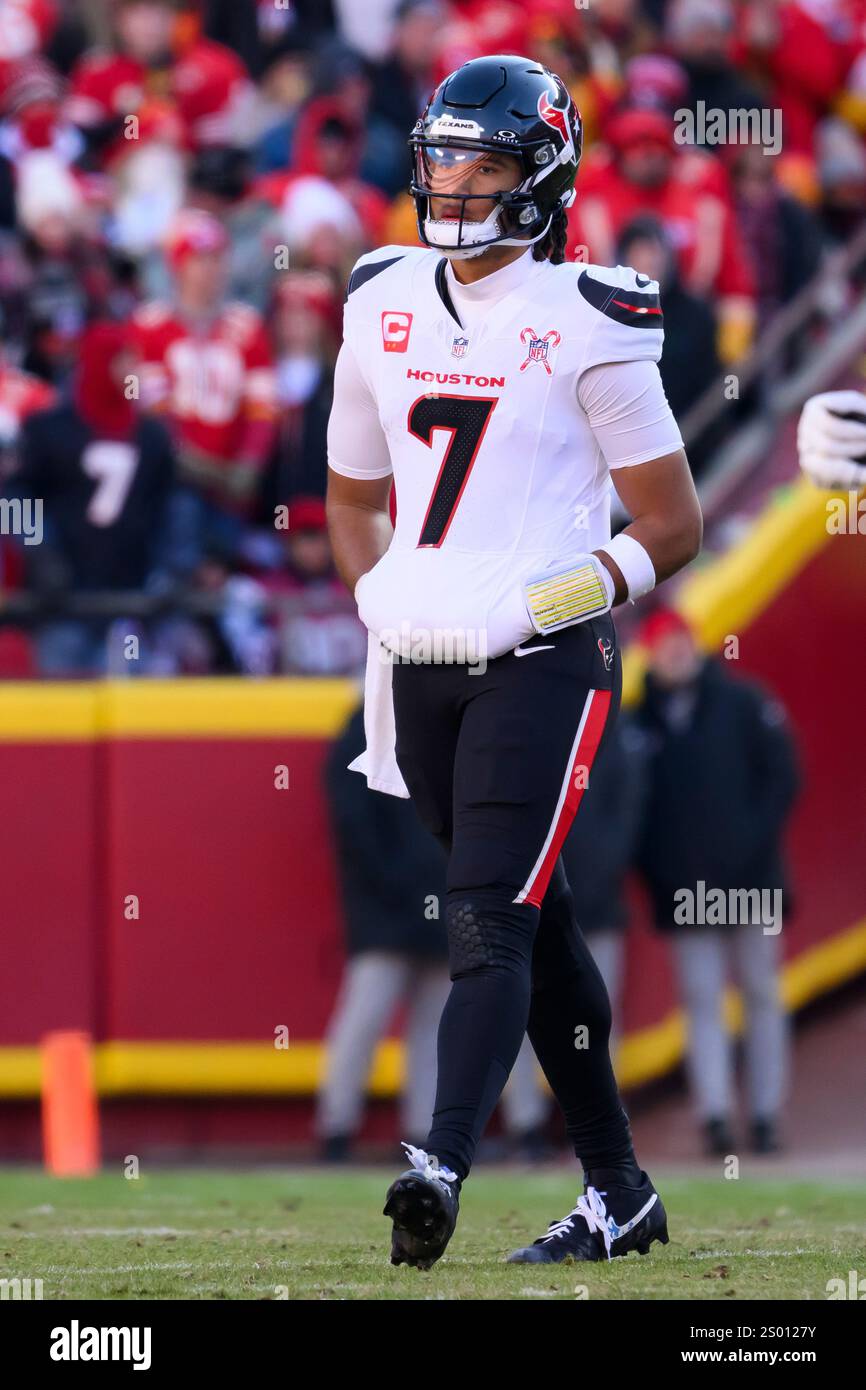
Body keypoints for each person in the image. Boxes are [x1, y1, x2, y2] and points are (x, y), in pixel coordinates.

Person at [326, 53, 702, 1269]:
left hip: (540, 651)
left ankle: (435, 1160)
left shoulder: (591, 313)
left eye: (483, 164)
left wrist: (579, 584)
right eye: (442, 158)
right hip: (420, 652)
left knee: (486, 912)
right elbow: (348, 489)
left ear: (539, 175)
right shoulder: (379, 291)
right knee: (535, 928)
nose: (454, 184)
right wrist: (374, 587)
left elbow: (673, 522)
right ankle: (620, 1193)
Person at [632, 608, 799, 1155]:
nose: (674, 654)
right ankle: (718, 1117)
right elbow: (636, 811)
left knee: (761, 994)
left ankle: (768, 1114)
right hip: (685, 889)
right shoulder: (641, 720)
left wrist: (747, 847)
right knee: (702, 999)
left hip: (751, 881)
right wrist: (658, 871)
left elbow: (783, 777)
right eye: (664, 646)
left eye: (680, 643)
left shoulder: (744, 702)